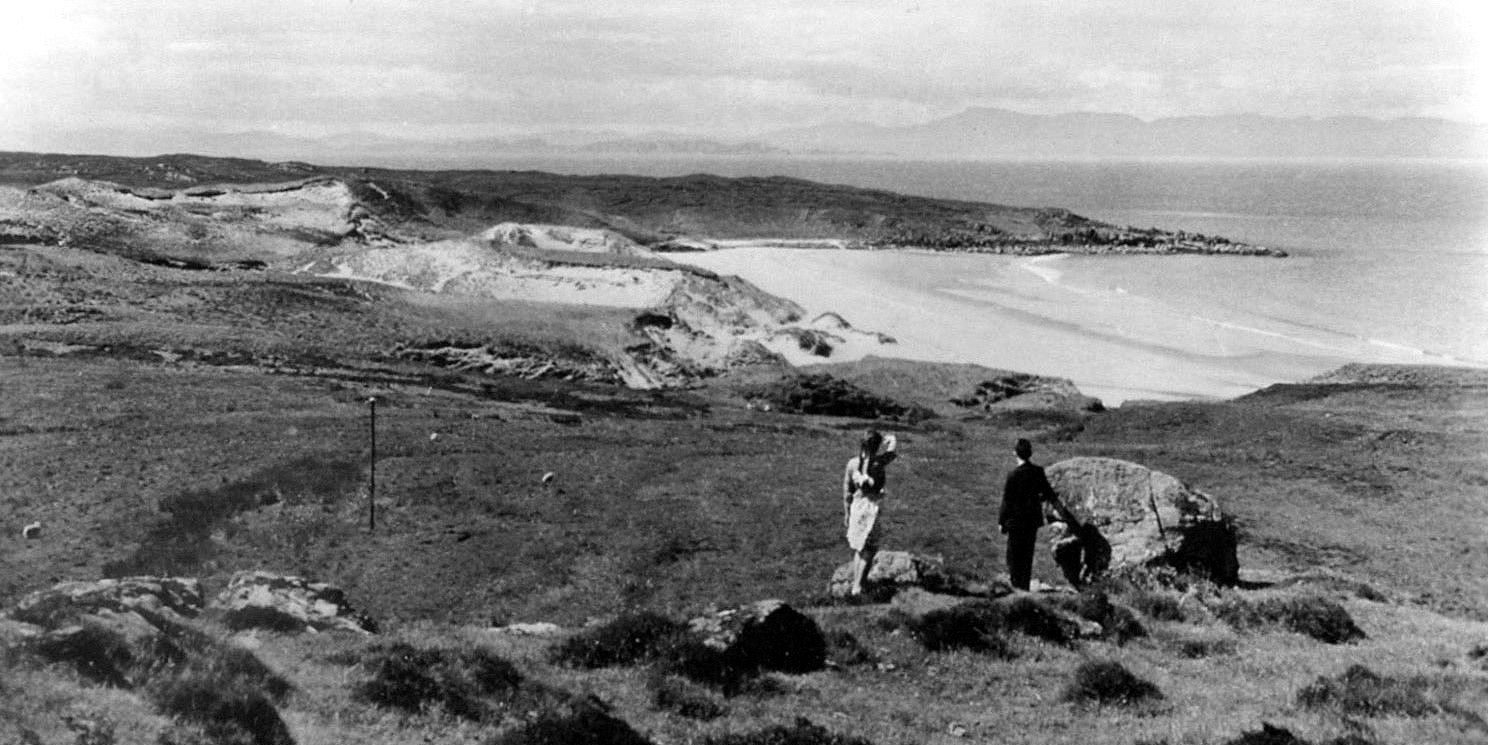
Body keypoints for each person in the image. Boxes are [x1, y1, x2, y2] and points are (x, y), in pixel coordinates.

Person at [999, 438, 1059, 591]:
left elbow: (1007, 500)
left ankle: (1015, 586)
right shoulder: (1038, 472)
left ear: (1015, 453)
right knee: (1027, 554)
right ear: (1030, 453)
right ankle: (1024, 586)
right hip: (1031, 521)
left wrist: (1001, 521)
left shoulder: (1013, 475)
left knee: (1013, 555)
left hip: (1015, 521)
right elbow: (1048, 493)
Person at [843, 429, 897, 595]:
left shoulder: (852, 464)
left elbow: (847, 490)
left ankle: (856, 585)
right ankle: (859, 585)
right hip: (871, 507)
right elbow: (891, 452)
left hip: (857, 506)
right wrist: (892, 439)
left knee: (860, 547)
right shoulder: (879, 462)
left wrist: (846, 512)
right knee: (870, 548)